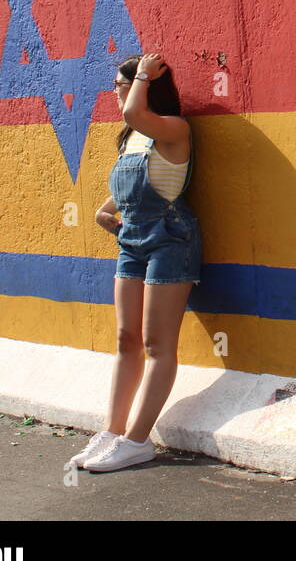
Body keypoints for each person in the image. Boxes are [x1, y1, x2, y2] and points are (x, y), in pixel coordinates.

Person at [68, 52, 203, 473]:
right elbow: (132, 180)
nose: (115, 91)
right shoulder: (132, 135)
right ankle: (112, 432)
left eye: (120, 82)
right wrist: (106, 209)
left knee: (156, 344)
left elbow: (134, 111)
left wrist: (143, 73)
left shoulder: (173, 128)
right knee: (126, 339)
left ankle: (137, 441)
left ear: (145, 85)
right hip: (132, 238)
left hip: (170, 238)